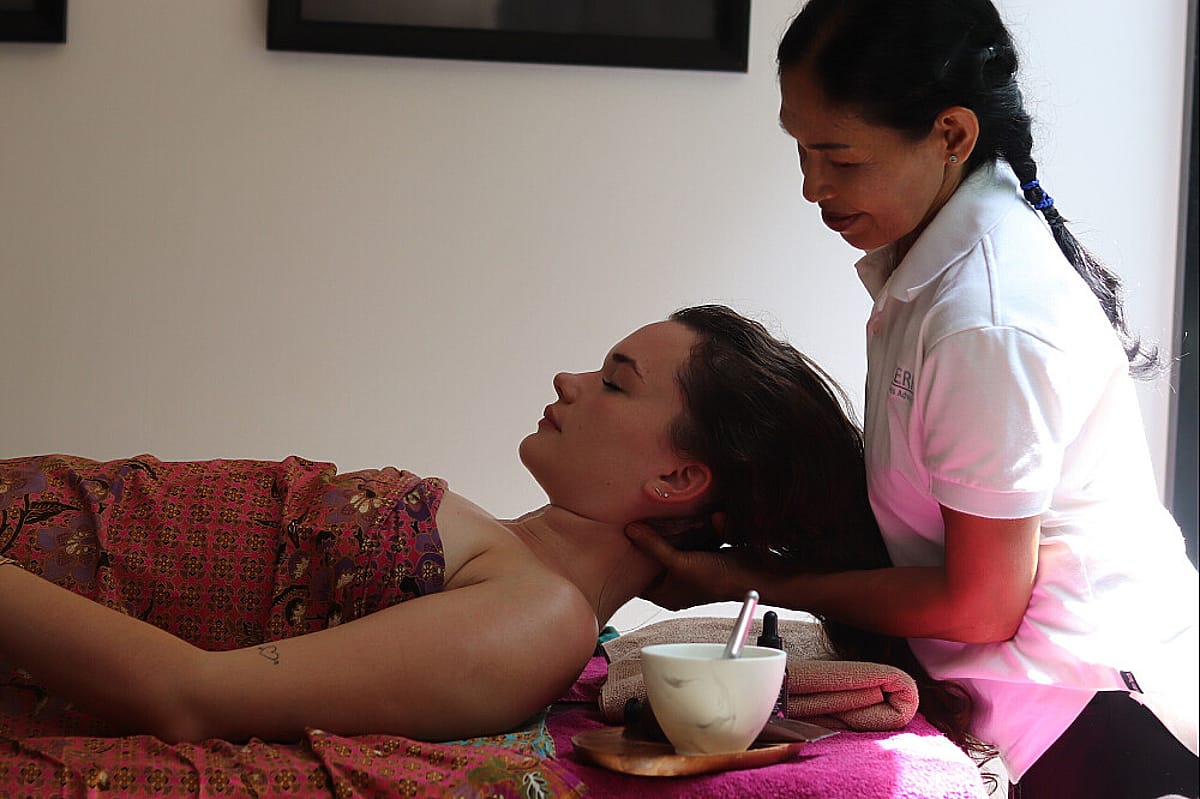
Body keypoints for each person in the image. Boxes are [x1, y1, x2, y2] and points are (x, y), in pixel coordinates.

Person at [625, 2, 1200, 797]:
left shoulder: (985, 318)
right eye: (799, 148)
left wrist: (752, 580)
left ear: (952, 136)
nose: (811, 186)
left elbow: (980, 603)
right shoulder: (930, 269)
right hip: (1028, 703)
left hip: (1094, 722)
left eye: (840, 157)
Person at [0, 304, 943, 747]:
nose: (570, 381)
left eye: (615, 382)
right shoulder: (516, 561)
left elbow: (190, 697)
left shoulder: (537, 622)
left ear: (677, 475)